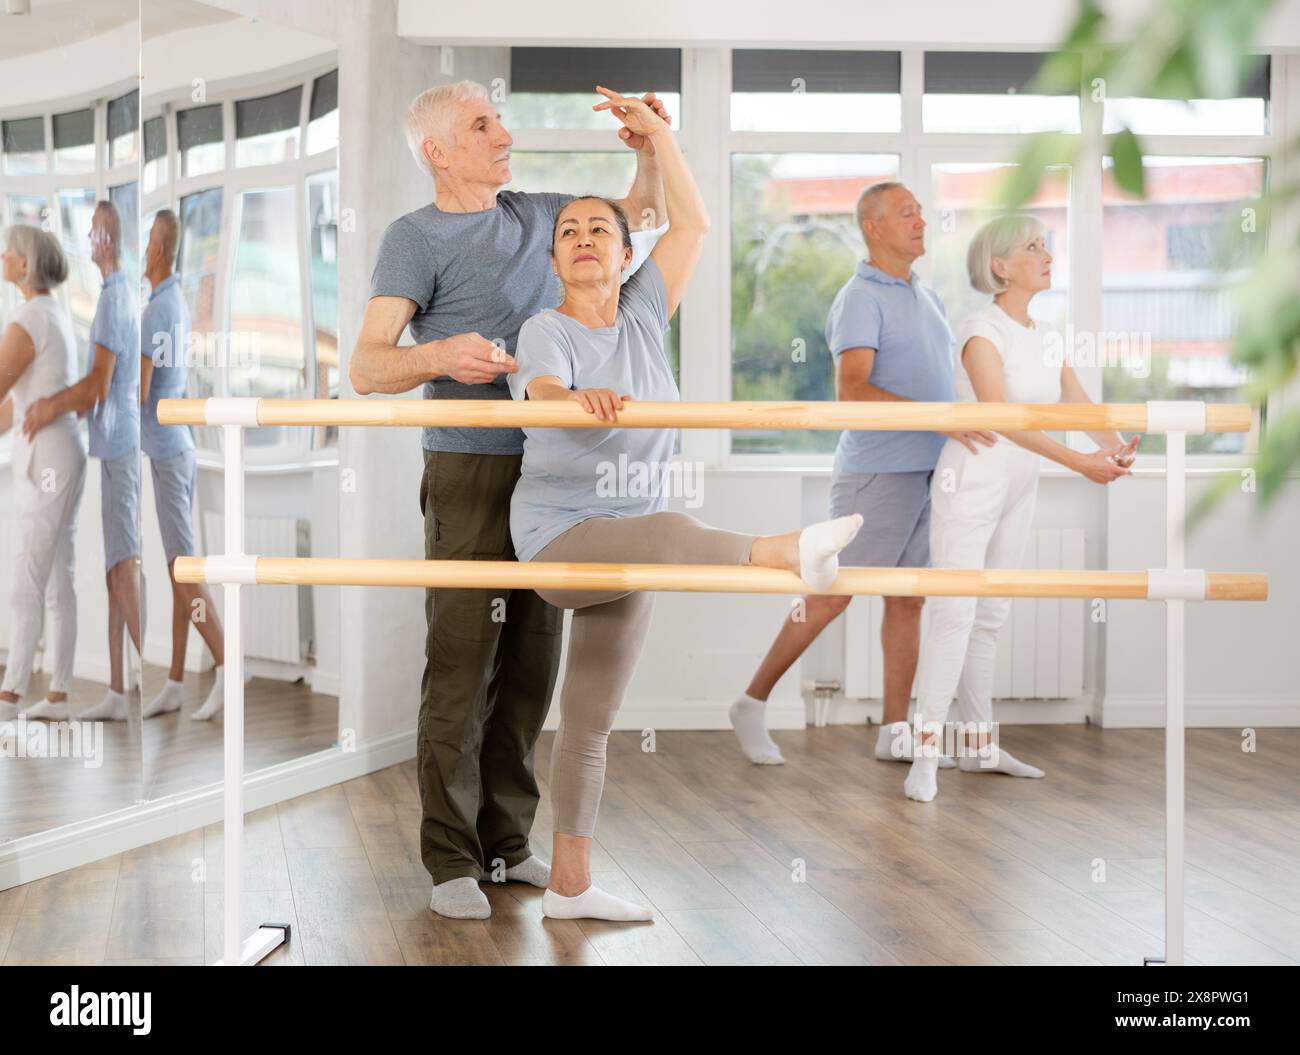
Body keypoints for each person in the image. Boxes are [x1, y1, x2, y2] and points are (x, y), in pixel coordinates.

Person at [509, 90, 864, 922]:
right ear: (555, 262)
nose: (584, 239)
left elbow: (695, 225)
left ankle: (569, 888)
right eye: (569, 233)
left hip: (635, 537)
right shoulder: (545, 328)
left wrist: (661, 137)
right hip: (561, 539)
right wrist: (572, 397)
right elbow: (542, 390)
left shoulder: (641, 313)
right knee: (674, 529)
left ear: (628, 251)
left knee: (591, 715)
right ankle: (789, 554)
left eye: (601, 229)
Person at [349, 79, 669, 920]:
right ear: (437, 151)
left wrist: (650, 147)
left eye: (499, 120)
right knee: (463, 660)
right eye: (482, 125)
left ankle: (508, 842)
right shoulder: (414, 238)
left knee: (531, 663)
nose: (504, 133)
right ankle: (450, 853)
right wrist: (439, 354)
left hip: (552, 472)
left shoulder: (539, 210)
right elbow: (367, 366)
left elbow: (634, 216)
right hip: (470, 470)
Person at [730, 182, 993, 766]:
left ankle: (895, 732)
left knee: (908, 602)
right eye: (907, 213)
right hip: (877, 472)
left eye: (921, 212)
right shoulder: (859, 297)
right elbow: (852, 390)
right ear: (873, 227)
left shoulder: (927, 298)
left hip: (930, 470)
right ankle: (751, 702)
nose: (921, 221)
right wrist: (939, 418)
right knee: (829, 596)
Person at [904, 214, 1139, 802]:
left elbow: (1076, 404)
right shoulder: (980, 329)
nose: (1046, 253)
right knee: (954, 614)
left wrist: (1114, 447)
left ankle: (979, 746)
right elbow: (1003, 416)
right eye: (1032, 247)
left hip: (1019, 483)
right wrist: (1079, 464)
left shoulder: (1045, 333)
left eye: (1046, 244)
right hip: (974, 480)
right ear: (1000, 266)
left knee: (991, 615)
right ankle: (926, 756)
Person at [23, 201, 141, 722]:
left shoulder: (115, 300)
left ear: (106, 240)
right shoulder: (111, 296)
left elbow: (97, 385)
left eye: (93, 232)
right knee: (112, 570)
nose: (88, 239)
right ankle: (117, 692)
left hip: (117, 447)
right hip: (109, 447)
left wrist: (48, 405)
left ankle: (134, 687)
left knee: (121, 572)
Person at [138, 209, 230, 721]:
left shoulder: (155, 309)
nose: (144, 250)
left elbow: (142, 391)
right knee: (180, 569)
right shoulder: (171, 300)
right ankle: (175, 679)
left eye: (148, 241)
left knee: (184, 571)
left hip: (168, 450)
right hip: (175, 447)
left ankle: (225, 664)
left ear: (158, 250)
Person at [0, 226, 87, 721]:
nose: (3, 256)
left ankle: (9, 696)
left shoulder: (30, 318)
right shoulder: (52, 315)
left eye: (9, 251)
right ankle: (57, 694)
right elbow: (15, 408)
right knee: (56, 577)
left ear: (25, 266)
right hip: (56, 457)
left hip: (49, 464)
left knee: (28, 577)